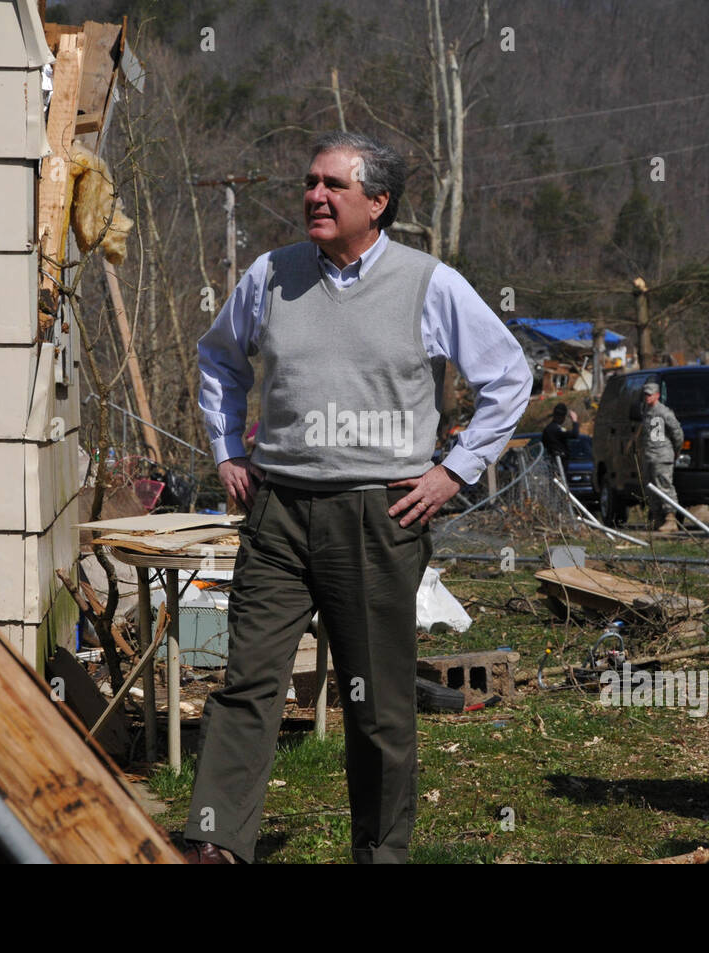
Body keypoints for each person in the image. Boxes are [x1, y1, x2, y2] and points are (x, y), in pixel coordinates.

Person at [183, 130, 531, 863]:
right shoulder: (271, 276)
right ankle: (216, 842)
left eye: (333, 185)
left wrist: (453, 472)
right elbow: (217, 359)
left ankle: (380, 851)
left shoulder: (427, 283)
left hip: (379, 514)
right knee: (246, 685)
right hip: (276, 510)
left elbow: (508, 376)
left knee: (375, 703)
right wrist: (228, 452)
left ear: (377, 202)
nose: (314, 194)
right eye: (311, 181)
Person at [637, 382, 683, 532]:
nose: (647, 397)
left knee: (664, 486)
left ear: (657, 395)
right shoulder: (645, 411)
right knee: (650, 487)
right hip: (649, 455)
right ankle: (656, 517)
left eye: (650, 394)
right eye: (645, 394)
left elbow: (677, 432)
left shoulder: (664, 412)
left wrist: (676, 450)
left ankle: (671, 518)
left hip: (662, 455)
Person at [542, 403, 578, 479]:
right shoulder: (557, 429)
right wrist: (575, 421)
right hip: (560, 461)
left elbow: (544, 443)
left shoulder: (547, 429)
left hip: (552, 460)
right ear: (562, 417)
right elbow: (574, 434)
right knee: (561, 481)